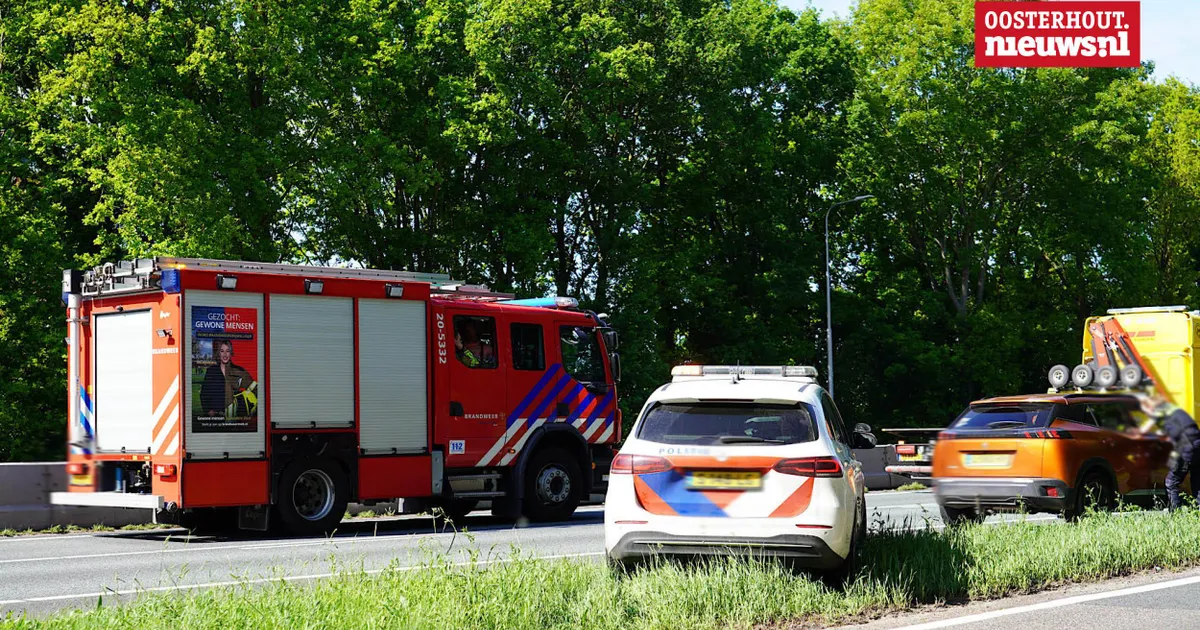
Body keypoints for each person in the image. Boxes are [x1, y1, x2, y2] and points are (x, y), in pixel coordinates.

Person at [1139, 394, 1200, 510]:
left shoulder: (1159, 411)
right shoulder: (1175, 410)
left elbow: (1143, 431)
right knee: (1197, 480)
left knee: (1171, 482)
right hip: (1198, 445)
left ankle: (1176, 514)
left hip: (1187, 447)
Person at [200, 339, 256, 418]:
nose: (225, 354)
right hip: (215, 418)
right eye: (222, 351)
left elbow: (255, 389)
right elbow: (204, 394)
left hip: (234, 420)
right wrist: (208, 411)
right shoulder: (211, 371)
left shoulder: (239, 371)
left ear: (231, 353)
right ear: (219, 353)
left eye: (228, 351)